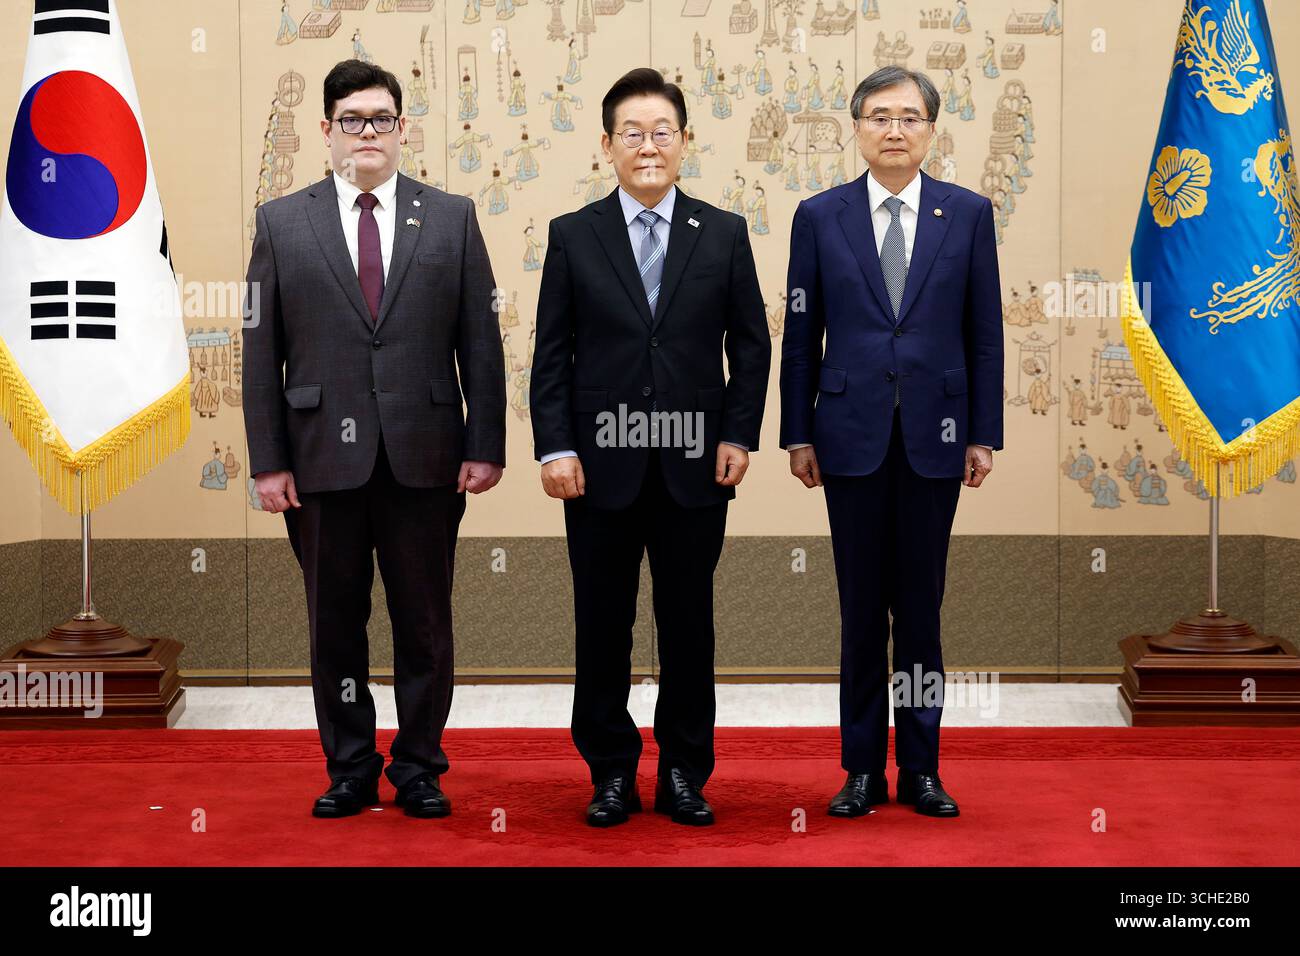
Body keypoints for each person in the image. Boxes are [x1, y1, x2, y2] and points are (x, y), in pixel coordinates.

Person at [242, 59, 505, 819]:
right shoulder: (282, 222)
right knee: (334, 623)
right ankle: (350, 767)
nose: (368, 132)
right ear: (326, 130)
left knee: (424, 622)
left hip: (425, 457)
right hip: (321, 461)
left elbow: (479, 341)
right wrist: (268, 462)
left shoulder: (450, 217)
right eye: (352, 119)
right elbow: (261, 348)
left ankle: (419, 765)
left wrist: (483, 442)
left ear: (401, 128)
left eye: (382, 119)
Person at [530, 68, 770, 828]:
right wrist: (554, 449)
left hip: (696, 465)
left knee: (688, 625)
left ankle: (684, 775)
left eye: (662, 131)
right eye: (631, 133)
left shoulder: (725, 233)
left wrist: (738, 432)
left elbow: (753, 347)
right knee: (602, 626)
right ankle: (608, 773)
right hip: (599, 468)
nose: (648, 146)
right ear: (607, 145)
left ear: (685, 142)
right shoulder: (574, 235)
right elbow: (551, 356)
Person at [779, 66, 1003, 820]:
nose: (895, 129)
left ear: (932, 130)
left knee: (922, 610)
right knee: (859, 609)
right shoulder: (821, 215)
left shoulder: (967, 215)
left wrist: (982, 433)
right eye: (880, 116)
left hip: (937, 440)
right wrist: (796, 432)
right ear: (858, 127)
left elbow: (984, 334)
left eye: (910, 117)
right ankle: (860, 770)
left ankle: (923, 768)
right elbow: (801, 336)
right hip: (848, 439)